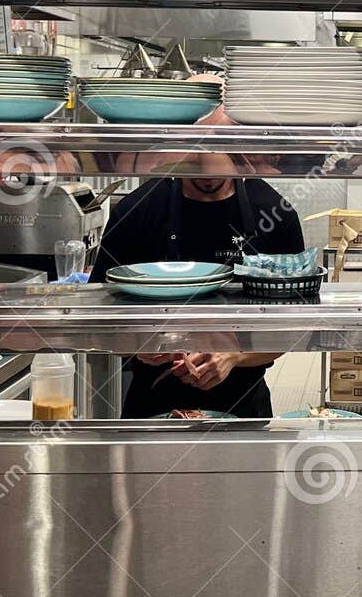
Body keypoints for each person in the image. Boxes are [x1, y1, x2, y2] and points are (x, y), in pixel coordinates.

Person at [92, 146, 305, 418]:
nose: (208, 175)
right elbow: (100, 318)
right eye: (197, 160)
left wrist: (234, 356)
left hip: (243, 404)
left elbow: (292, 327)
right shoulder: (136, 210)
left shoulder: (274, 212)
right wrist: (138, 343)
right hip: (152, 404)